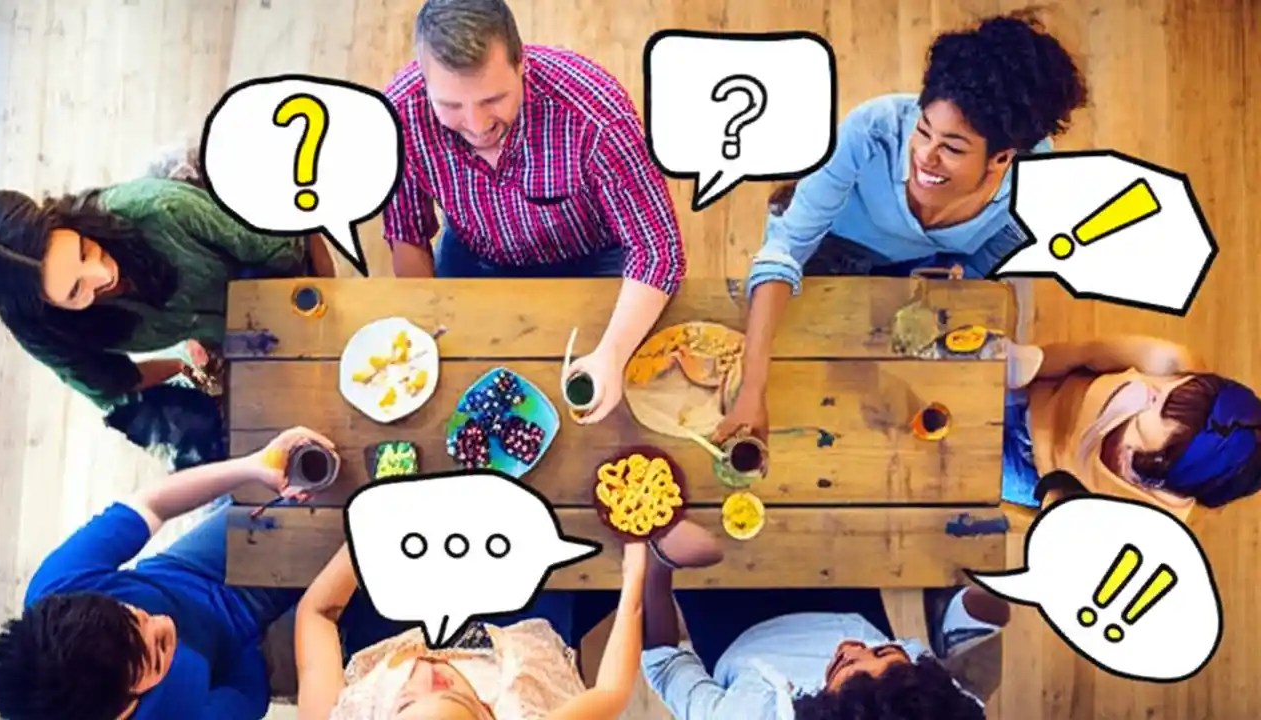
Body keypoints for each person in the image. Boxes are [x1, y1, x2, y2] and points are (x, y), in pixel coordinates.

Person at [715, 11, 1088, 446]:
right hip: (830, 247)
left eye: (952, 148)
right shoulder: (873, 131)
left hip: (923, 267)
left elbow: (998, 251)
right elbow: (784, 250)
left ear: (1001, 158)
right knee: (803, 378)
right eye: (924, 130)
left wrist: (957, 285)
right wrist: (752, 389)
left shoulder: (1036, 182)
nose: (925, 156)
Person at [381, 0, 685, 424]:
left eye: (494, 99)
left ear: (521, 63)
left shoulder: (595, 113)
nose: (477, 125)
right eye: (450, 105)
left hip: (591, 258)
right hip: (473, 254)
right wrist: (424, 334)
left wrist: (612, 355)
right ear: (425, 79)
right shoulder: (396, 116)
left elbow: (656, 249)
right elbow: (407, 234)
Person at [0, 178, 335, 468]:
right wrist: (181, 367)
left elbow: (285, 246)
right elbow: (113, 386)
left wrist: (323, 321)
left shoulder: (161, 209)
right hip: (225, 336)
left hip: (277, 278)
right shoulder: (46, 330)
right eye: (75, 290)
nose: (103, 274)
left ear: (60, 224)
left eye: (84, 251)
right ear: (47, 308)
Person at [0, 426, 334, 720]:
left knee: (311, 483)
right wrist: (310, 611)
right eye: (159, 648)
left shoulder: (59, 587)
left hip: (193, 569)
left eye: (136, 612)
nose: (164, 622)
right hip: (245, 651)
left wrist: (253, 466)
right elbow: (250, 692)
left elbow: (149, 504)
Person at [294, 541, 646, 719]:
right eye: (449, 690)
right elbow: (612, 691)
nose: (428, 673)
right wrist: (636, 574)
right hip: (515, 630)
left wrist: (369, 534)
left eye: (406, 703)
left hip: (401, 623)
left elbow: (317, 613)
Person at [640, 554, 1008, 719]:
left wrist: (658, 562)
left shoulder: (744, 714)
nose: (847, 649)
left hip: (730, 619)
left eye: (841, 664)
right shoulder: (933, 705)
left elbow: (664, 663)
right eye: (883, 653)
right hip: (843, 599)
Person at [1002, 336, 1261, 518]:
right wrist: (1021, 367)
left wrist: (1053, 500)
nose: (1155, 392)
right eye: (1173, 388)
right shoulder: (1172, 363)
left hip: (1034, 474)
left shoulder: (1149, 516)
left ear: (1160, 464)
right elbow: (1085, 353)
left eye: (1158, 407)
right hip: (1034, 397)